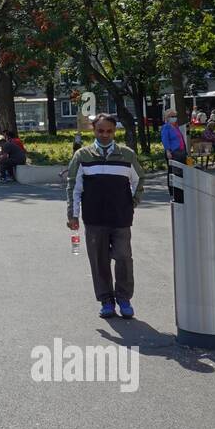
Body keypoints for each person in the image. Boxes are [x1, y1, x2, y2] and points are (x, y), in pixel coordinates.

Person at [66, 113, 144, 319]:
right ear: (94, 130)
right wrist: (72, 215)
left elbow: (139, 181)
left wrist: (131, 204)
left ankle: (124, 299)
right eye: (100, 130)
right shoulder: (82, 156)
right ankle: (106, 301)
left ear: (114, 131)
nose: (105, 135)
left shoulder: (127, 155)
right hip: (94, 219)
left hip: (121, 219)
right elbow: (73, 187)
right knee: (99, 261)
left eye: (109, 131)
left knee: (124, 258)